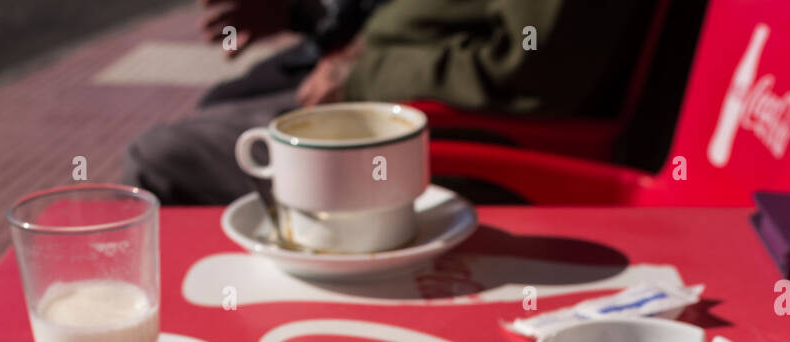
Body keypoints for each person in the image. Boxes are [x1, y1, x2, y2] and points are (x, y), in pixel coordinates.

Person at [125, 0, 649, 205]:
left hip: (449, 134)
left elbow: (532, 67)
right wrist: (304, 11)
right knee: (223, 101)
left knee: (161, 158)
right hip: (383, 77)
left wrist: (361, 72)